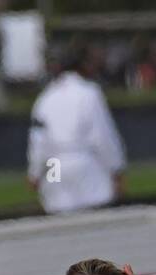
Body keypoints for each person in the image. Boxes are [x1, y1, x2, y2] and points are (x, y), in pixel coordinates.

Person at [27, 45, 126, 214]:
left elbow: (38, 142)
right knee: (95, 213)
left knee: (57, 210)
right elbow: (102, 135)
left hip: (54, 164)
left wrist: (34, 173)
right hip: (84, 159)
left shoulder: (44, 99)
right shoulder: (89, 93)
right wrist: (115, 168)